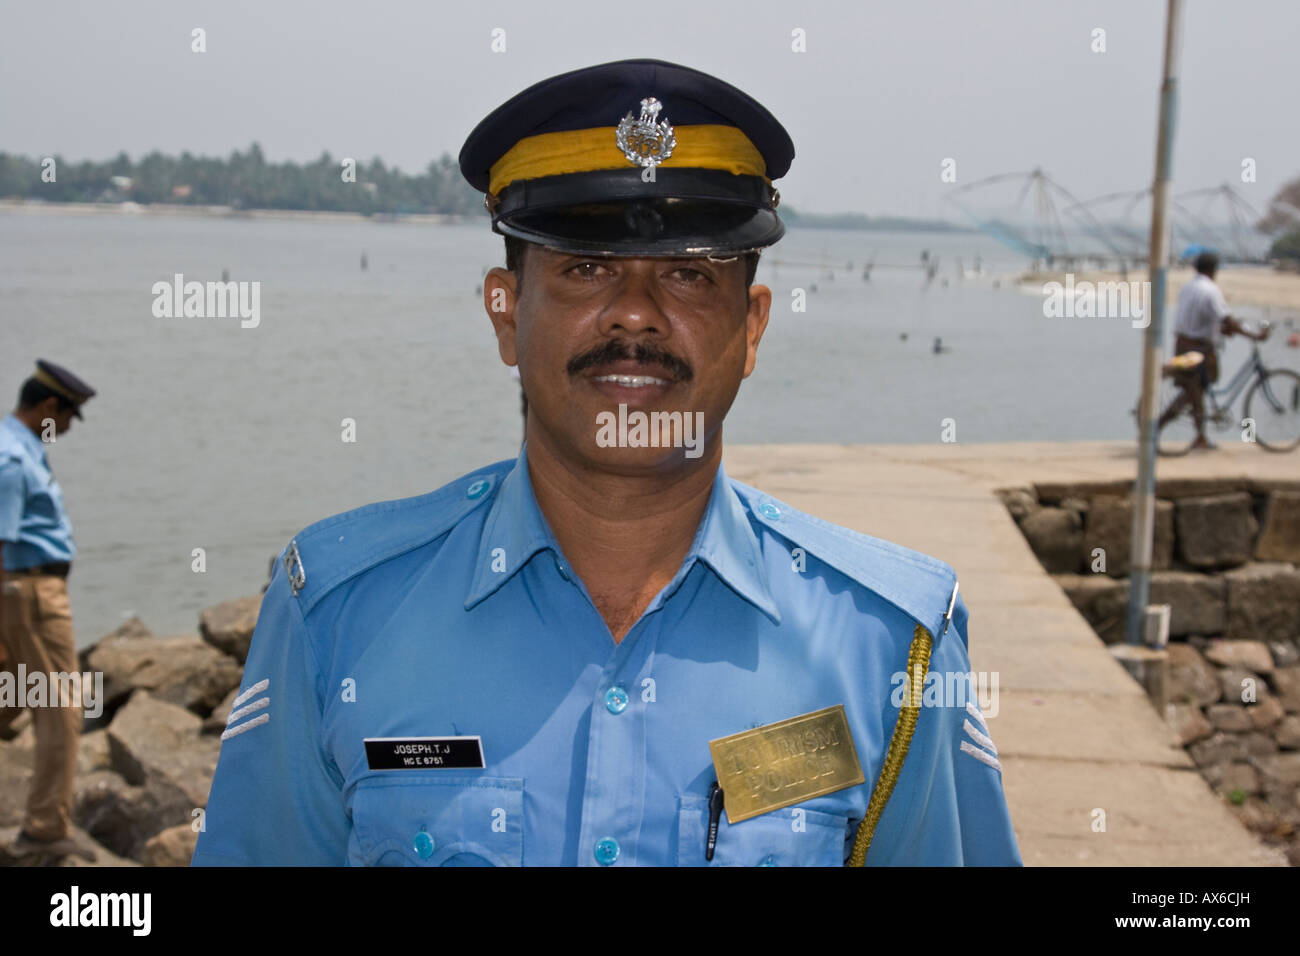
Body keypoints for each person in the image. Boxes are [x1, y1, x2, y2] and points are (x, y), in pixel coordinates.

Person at [193, 58, 1021, 867]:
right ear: (506, 314)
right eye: (585, 270)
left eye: (689, 276)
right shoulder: (339, 615)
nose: (634, 314)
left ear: (753, 327)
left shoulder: (888, 644)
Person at [0, 359, 97, 861]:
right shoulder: (13, 459)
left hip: (25, 592)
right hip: (33, 594)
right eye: (65, 418)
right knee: (61, 707)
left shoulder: (17, 447)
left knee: (10, 697)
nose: (66, 429)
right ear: (48, 406)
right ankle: (43, 830)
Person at [1169, 251, 1269, 449]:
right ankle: (1161, 422)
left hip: (1182, 344)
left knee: (1196, 389)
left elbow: (1204, 318)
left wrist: (1223, 329)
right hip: (1199, 348)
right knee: (1196, 388)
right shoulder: (1210, 290)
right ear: (1213, 270)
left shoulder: (1188, 287)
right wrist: (1253, 335)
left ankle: (1200, 436)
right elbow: (1226, 318)